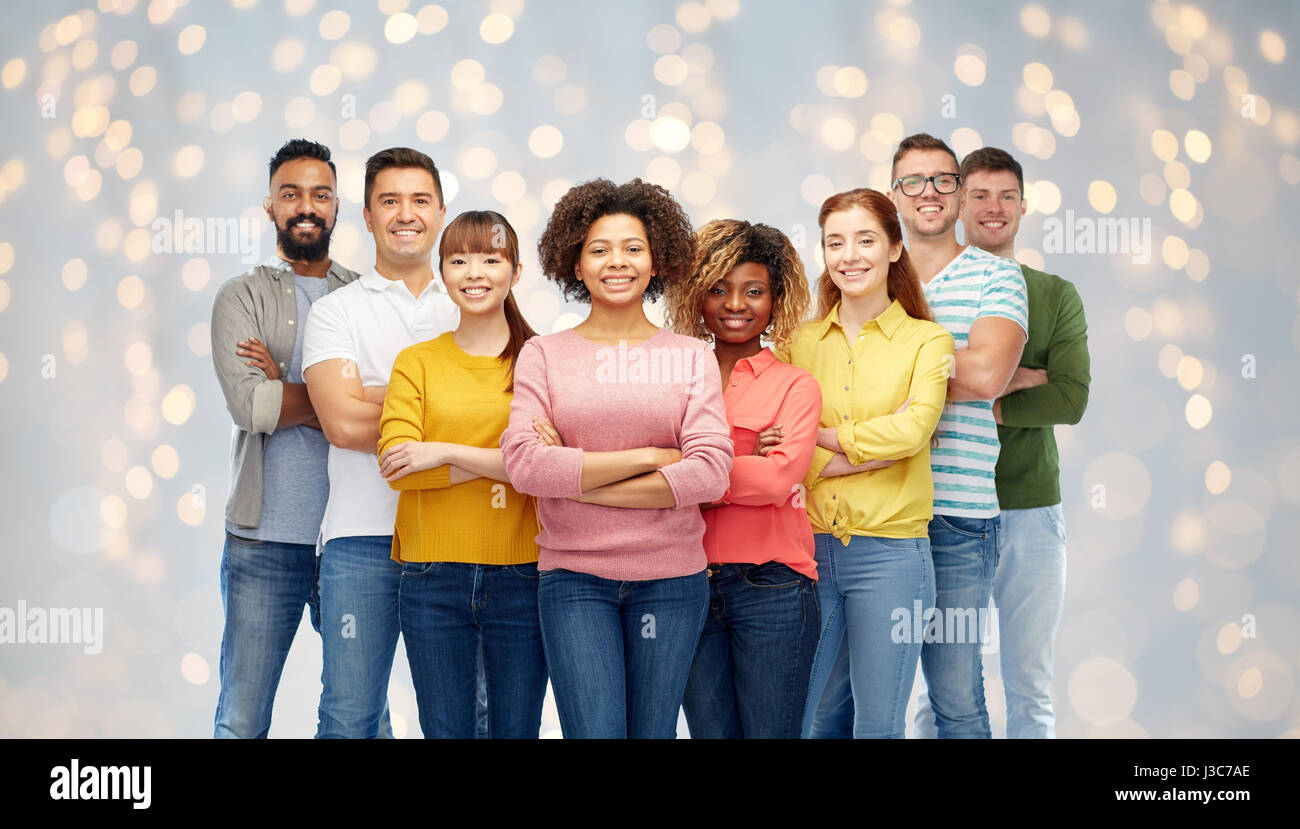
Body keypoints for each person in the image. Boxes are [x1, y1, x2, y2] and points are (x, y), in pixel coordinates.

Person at [500, 178, 733, 739]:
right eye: (598, 250)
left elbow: (710, 471)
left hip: (672, 581)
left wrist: (574, 478)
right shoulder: (544, 354)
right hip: (574, 578)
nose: (616, 262)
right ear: (575, 265)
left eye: (633, 248)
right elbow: (526, 464)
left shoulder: (690, 356)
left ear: (656, 262)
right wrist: (652, 456)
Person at [785, 189, 953, 739]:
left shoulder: (928, 341)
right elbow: (775, 444)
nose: (849, 255)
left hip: (892, 557)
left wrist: (824, 442)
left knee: (877, 725)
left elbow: (913, 431)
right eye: (836, 242)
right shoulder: (797, 343)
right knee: (806, 721)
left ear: (895, 249)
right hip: (806, 552)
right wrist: (857, 450)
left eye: (865, 240)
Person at [302, 147, 459, 738]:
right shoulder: (336, 312)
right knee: (349, 719)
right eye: (388, 201)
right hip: (360, 539)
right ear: (366, 216)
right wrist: (446, 408)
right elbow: (340, 424)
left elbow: (504, 422)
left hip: (456, 538)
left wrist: (379, 394)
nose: (405, 213)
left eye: (420, 200)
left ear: (442, 211)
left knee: (462, 720)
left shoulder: (473, 305)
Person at [210, 139, 359, 739]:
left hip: (354, 542)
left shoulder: (367, 298)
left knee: (361, 720)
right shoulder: (240, 297)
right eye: (290, 193)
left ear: (337, 207)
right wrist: (336, 401)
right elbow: (254, 406)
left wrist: (286, 384)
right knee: (242, 720)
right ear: (269, 206)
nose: (305, 206)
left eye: (319, 194)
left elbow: (398, 410)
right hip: (262, 540)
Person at [377, 210, 547, 738]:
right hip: (431, 575)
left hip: (525, 571)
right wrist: (507, 462)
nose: (474, 273)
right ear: (442, 271)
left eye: (490, 259)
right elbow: (399, 468)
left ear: (515, 271)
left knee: (515, 731)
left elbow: (548, 470)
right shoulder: (417, 362)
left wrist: (444, 452)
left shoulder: (543, 360)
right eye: (459, 260)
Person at [890, 133, 1028, 739]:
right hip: (876, 510)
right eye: (912, 181)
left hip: (958, 513)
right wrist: (953, 354)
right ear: (894, 195)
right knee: (846, 687)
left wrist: (891, 367)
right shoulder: (871, 271)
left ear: (959, 192)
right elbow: (836, 377)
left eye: (942, 180)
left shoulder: (997, 278)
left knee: (954, 691)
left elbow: (988, 374)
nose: (929, 192)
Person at [663, 219, 821, 739]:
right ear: (697, 296)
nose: (735, 304)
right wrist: (743, 453)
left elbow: (779, 483)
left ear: (776, 299)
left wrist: (693, 467)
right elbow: (648, 479)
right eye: (719, 289)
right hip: (686, 586)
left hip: (773, 585)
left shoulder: (796, 386)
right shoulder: (676, 378)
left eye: (754, 291)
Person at [959, 147, 1090, 738]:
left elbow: (1069, 399)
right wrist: (1022, 377)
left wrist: (982, 386)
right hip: (947, 509)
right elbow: (909, 392)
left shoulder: (1055, 294)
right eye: (980, 195)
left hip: (1030, 510)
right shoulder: (929, 289)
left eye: (1006, 196)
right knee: (946, 685)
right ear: (959, 202)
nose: (994, 208)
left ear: (1023, 206)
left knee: (1029, 686)